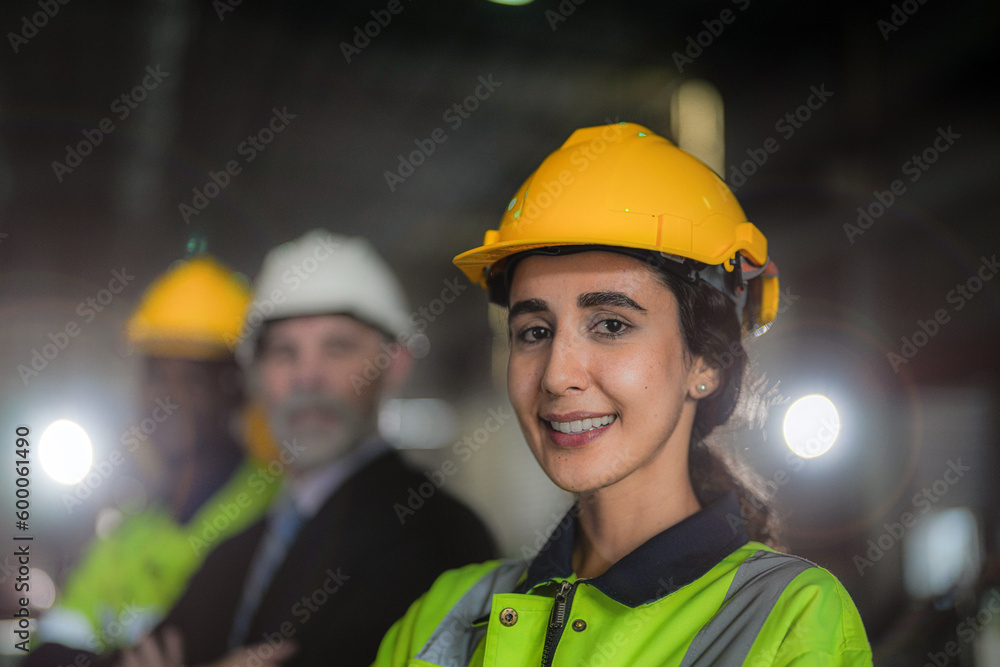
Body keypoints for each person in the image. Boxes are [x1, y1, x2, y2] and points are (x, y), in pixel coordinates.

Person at [374, 123, 873, 666]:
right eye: (535, 331)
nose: (556, 376)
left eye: (611, 324)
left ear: (705, 362)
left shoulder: (787, 617)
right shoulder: (447, 614)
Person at [115, 230, 496, 667]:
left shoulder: (441, 536)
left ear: (394, 364)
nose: (307, 377)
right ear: (254, 376)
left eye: (337, 348)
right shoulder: (235, 553)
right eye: (284, 352)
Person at [28, 256, 281, 665]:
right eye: (157, 376)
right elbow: (45, 652)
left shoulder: (273, 512)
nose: (169, 397)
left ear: (236, 390)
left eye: (193, 380)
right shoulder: (133, 530)